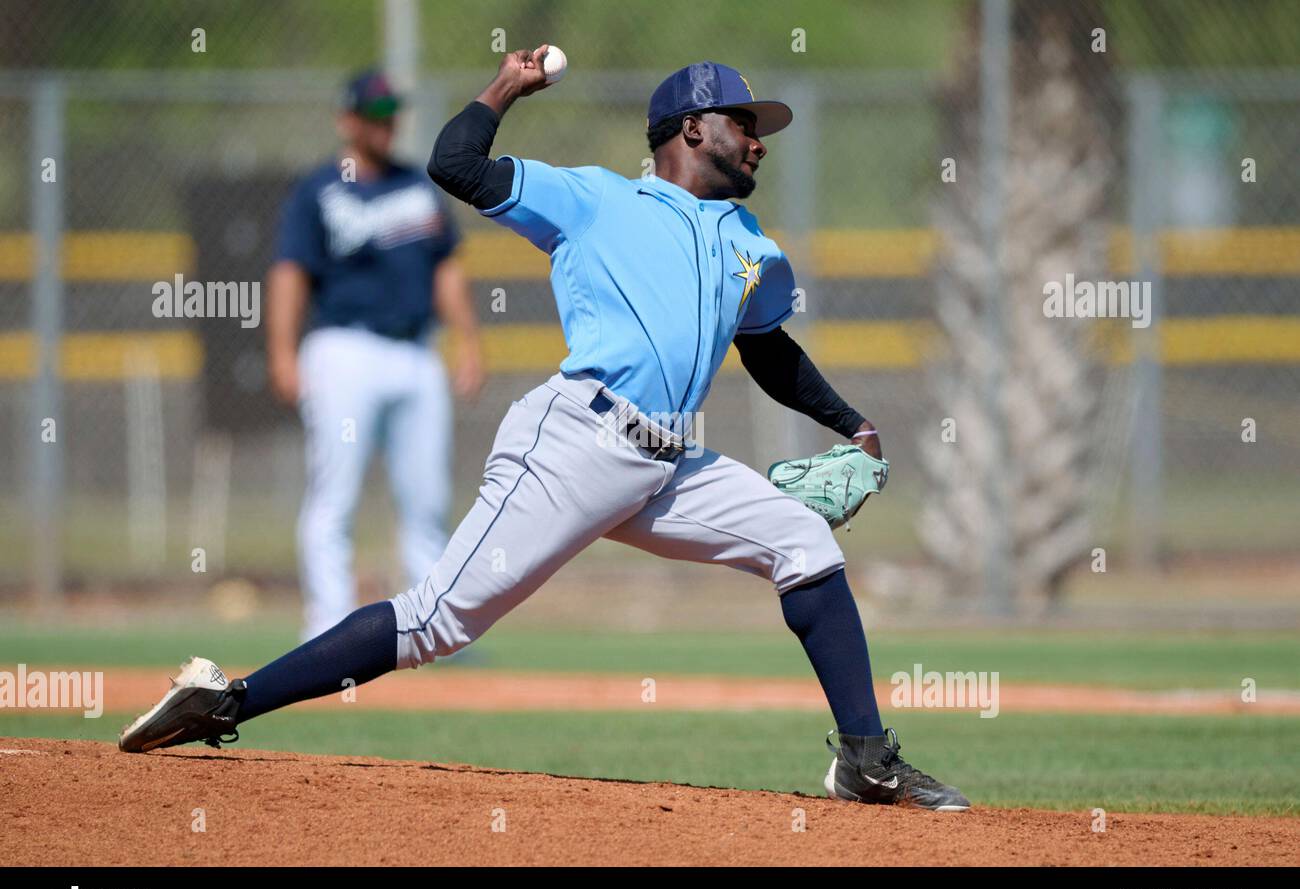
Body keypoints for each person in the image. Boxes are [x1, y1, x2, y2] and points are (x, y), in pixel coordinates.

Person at [121, 52, 969, 811]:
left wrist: (851, 423)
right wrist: (504, 88)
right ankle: (225, 700)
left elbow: (768, 348)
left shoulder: (747, 239)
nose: (759, 141)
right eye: (745, 123)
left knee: (803, 543)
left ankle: (866, 761)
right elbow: (455, 165)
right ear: (692, 127)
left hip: (668, 465)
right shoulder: (597, 198)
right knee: (435, 624)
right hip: (575, 443)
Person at [266, 69, 485, 642]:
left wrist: (468, 341)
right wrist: (283, 354)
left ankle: (433, 630)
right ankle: (327, 630)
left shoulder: (417, 185)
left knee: (427, 499)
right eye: (374, 114)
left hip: (416, 353)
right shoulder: (319, 190)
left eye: (391, 114)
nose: (385, 124)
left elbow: (446, 267)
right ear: (348, 120)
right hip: (344, 349)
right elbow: (290, 273)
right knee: (334, 494)